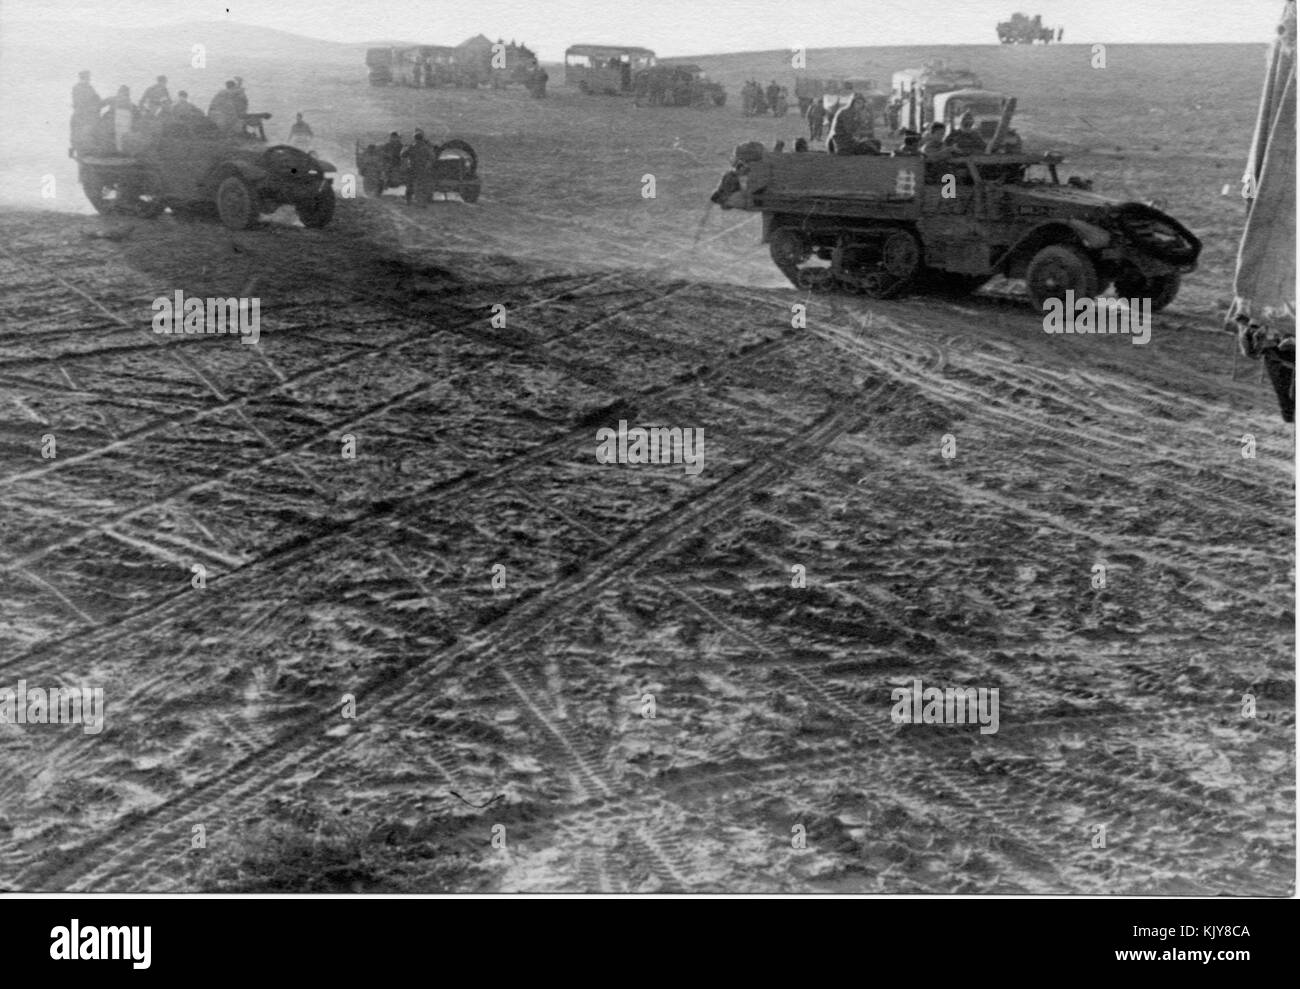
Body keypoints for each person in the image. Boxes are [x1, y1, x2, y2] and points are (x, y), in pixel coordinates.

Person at [70, 70, 106, 153]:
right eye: (88, 77)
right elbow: (95, 101)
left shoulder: (82, 88)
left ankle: (84, 148)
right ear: (86, 77)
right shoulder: (85, 88)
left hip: (83, 115)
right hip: (86, 116)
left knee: (80, 134)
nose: (89, 79)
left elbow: (96, 101)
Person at [402, 129, 433, 206]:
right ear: (422, 138)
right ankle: (422, 202)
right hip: (422, 169)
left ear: (415, 138)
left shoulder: (412, 147)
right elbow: (432, 157)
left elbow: (403, 155)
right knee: (422, 186)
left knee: (409, 185)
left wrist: (404, 148)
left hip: (412, 168)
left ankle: (408, 201)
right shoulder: (426, 148)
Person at [108, 85, 136, 152]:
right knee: (122, 133)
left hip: (122, 116)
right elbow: (132, 108)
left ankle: (120, 150)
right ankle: (121, 150)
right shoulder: (127, 100)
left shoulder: (116, 99)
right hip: (123, 116)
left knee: (121, 134)